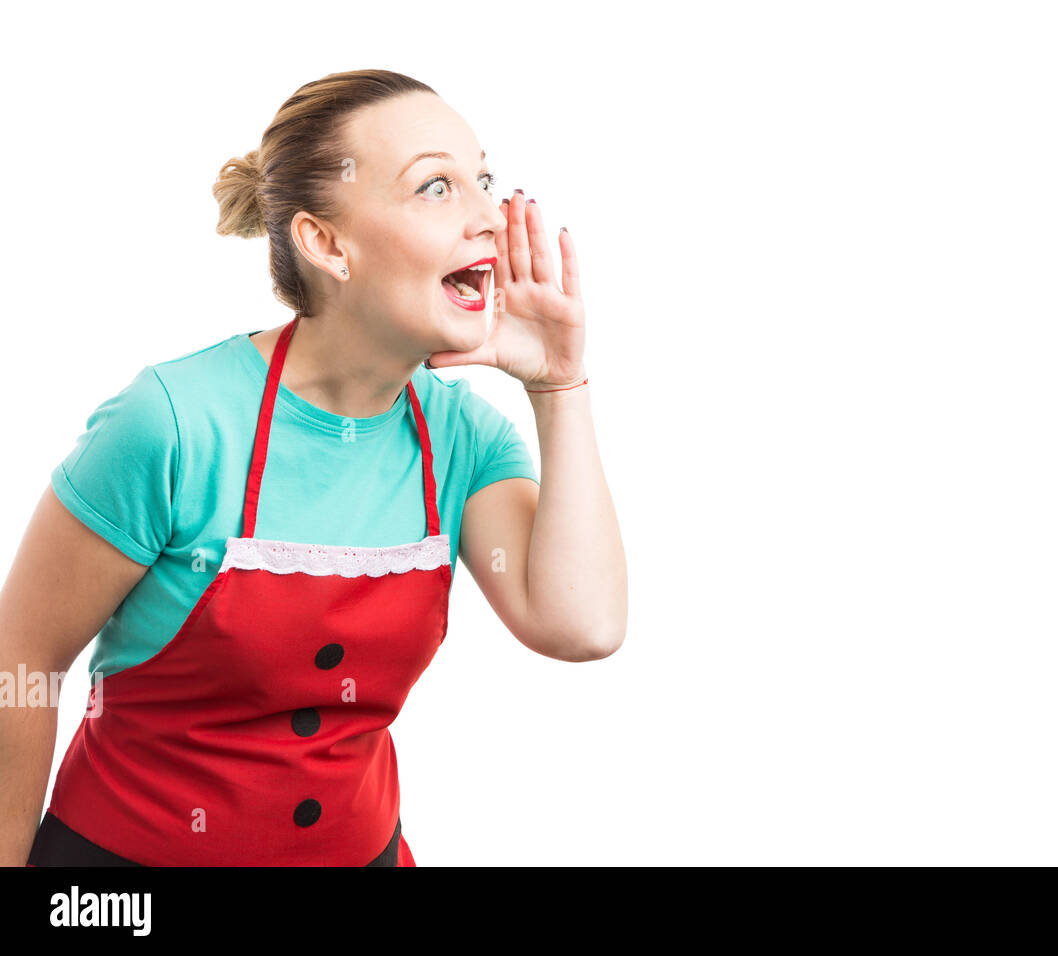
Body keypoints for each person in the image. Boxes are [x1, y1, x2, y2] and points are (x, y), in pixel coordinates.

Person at [0, 68, 627, 866]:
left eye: (485, 179)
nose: (490, 220)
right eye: (437, 188)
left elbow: (582, 626)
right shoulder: (173, 423)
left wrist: (559, 385)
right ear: (327, 243)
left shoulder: (463, 436)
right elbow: (19, 659)